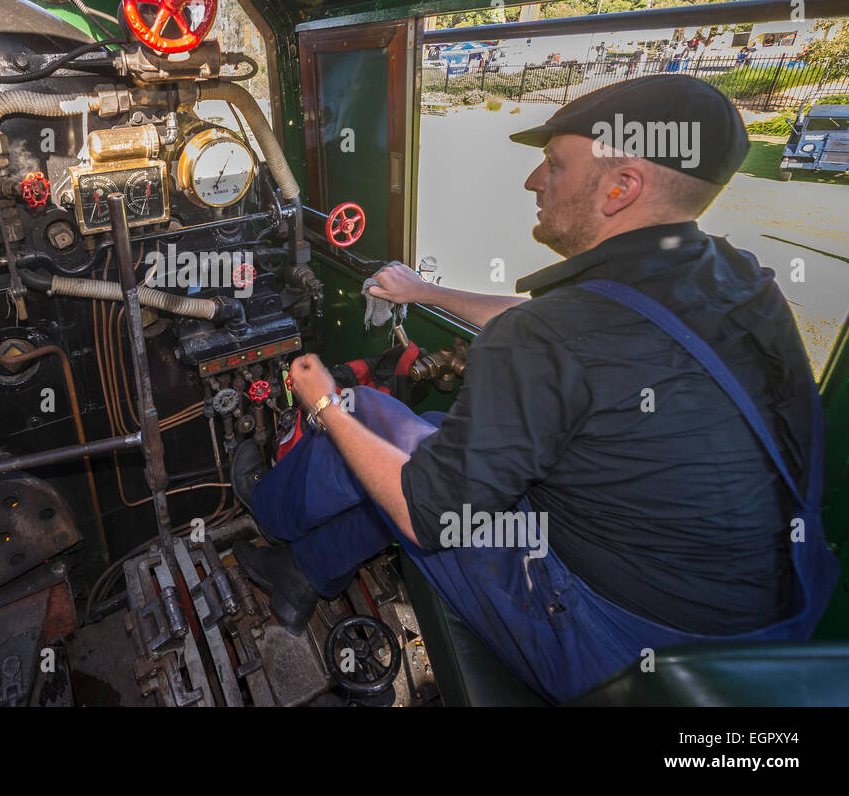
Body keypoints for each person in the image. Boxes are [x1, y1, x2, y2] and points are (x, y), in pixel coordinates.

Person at [231, 74, 838, 703]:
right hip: (766, 626)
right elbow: (579, 320)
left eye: (553, 165)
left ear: (621, 188)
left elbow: (423, 512)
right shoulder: (735, 277)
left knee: (363, 424)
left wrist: (323, 403)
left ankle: (268, 514)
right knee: (431, 443)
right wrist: (427, 292)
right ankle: (301, 576)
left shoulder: (553, 336)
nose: (532, 182)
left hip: (617, 650)